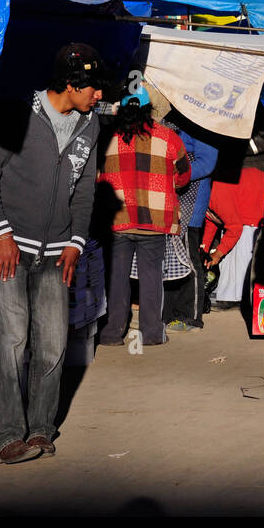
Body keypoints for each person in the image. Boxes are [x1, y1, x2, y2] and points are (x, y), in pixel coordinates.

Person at [0, 43, 105, 464]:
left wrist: (76, 242)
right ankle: (5, 438)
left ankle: (41, 428)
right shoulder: (17, 112)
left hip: (57, 251)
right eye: (93, 87)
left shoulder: (90, 124)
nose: (99, 95)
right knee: (13, 340)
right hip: (6, 246)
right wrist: (1, 234)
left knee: (53, 343)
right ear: (71, 85)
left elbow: (85, 190)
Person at [97, 88, 191, 348]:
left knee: (116, 278)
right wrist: (168, 184)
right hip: (154, 218)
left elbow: (96, 173)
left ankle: (112, 333)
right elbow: (184, 174)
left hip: (117, 218)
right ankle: (151, 334)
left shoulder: (108, 135)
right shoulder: (168, 137)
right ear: (149, 109)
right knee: (151, 277)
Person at [203, 121, 264, 311]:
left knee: (238, 254)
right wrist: (204, 248)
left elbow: (233, 227)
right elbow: (212, 220)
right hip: (253, 201)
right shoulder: (211, 192)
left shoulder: (214, 193)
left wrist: (217, 254)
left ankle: (234, 297)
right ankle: (234, 295)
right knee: (235, 253)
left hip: (252, 217)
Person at [161, 114, 219, 333]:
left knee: (188, 258)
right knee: (170, 258)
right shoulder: (170, 121)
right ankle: (168, 314)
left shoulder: (202, 125)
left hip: (190, 201)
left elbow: (207, 163)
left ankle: (190, 316)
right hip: (169, 198)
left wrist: (175, 175)